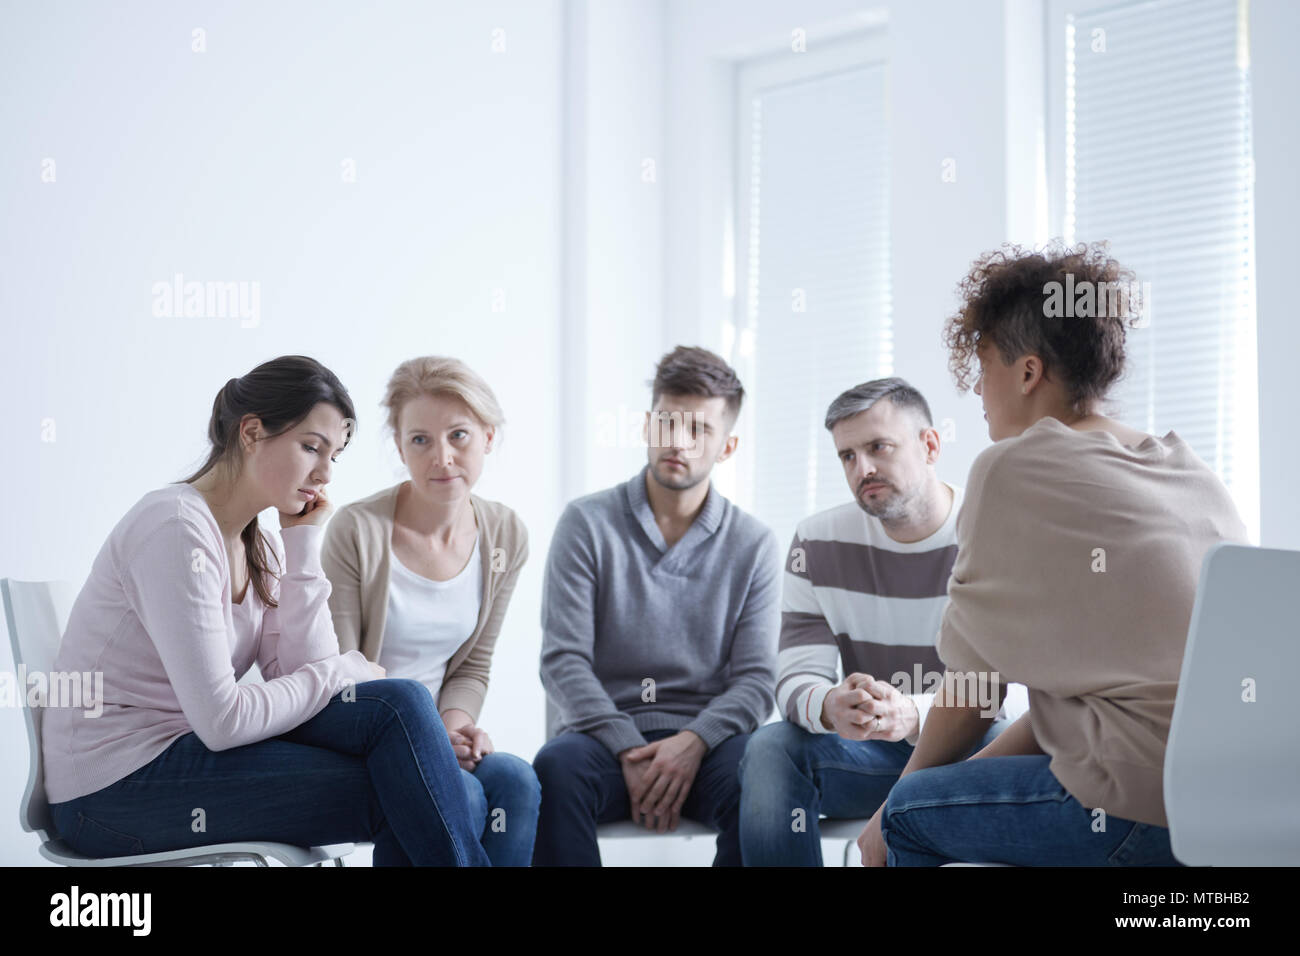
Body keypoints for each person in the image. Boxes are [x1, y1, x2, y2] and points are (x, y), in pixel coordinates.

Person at [857, 242, 1249, 866]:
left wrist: (895, 807)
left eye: (983, 369)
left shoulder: (1015, 467)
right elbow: (1078, 713)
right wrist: (947, 790)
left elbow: (976, 690)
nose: (979, 395)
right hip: (1244, 807)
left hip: (1136, 813)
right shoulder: (1187, 468)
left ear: (1028, 372)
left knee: (906, 817)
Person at [42, 355, 489, 866]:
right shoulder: (175, 529)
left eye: (334, 457)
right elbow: (224, 721)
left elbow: (303, 679)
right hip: (114, 793)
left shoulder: (260, 545)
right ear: (252, 432)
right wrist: (342, 669)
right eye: (310, 448)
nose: (323, 473)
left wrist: (301, 542)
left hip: (185, 754)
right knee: (406, 774)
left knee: (415, 726)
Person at [738, 377, 1022, 866]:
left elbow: (1017, 689)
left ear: (929, 445)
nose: (862, 468)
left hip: (968, 748)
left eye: (878, 447)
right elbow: (794, 676)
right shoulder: (818, 541)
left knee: (1009, 742)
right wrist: (832, 705)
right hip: (864, 754)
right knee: (770, 749)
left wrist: (911, 712)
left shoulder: (993, 530)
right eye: (847, 455)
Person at [533, 345, 781, 866]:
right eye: (668, 423)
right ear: (647, 426)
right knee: (555, 769)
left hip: (709, 746)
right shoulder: (587, 523)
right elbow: (563, 660)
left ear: (728, 446)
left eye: (700, 431)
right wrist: (626, 745)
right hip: (601, 740)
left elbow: (757, 679)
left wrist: (692, 742)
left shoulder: (753, 543)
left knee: (763, 776)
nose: (679, 443)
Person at [321, 356, 538, 866]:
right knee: (464, 796)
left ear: (488, 436)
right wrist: (433, 743)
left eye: (458, 435)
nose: (442, 457)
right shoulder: (356, 531)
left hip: (439, 737)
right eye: (420, 440)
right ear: (399, 446)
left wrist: (456, 731)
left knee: (515, 779)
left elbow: (472, 666)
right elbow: (343, 679)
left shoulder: (505, 535)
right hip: (367, 740)